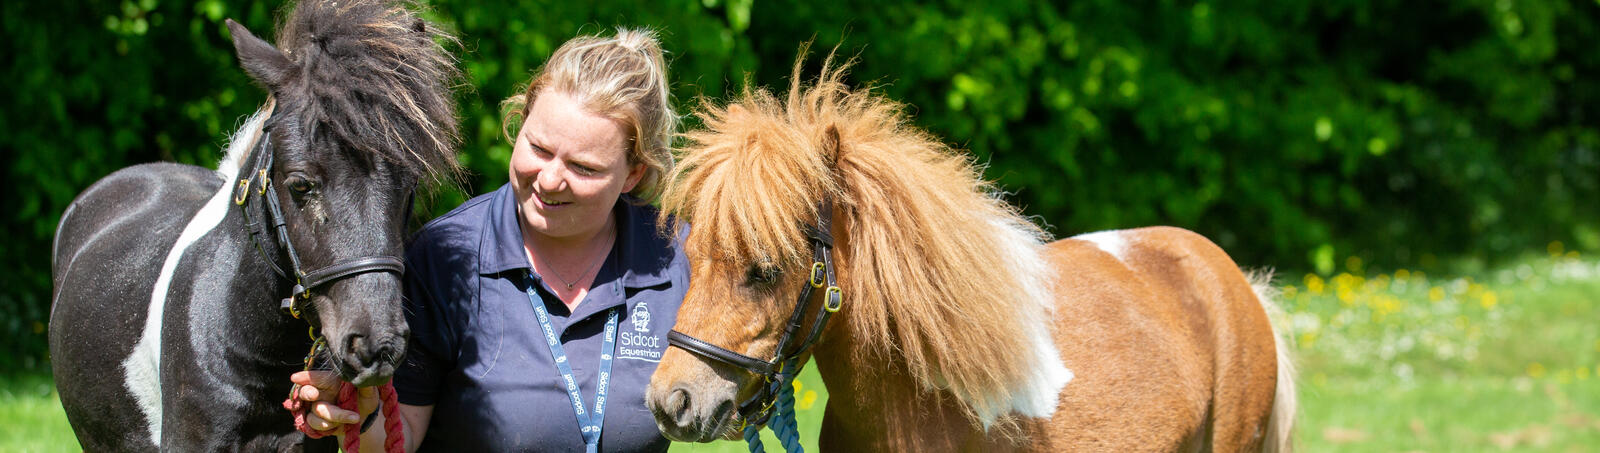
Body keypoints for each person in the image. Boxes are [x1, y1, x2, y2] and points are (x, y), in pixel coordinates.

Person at [289, 27, 686, 452]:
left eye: (584, 168)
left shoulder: (677, 257)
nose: (550, 180)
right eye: (538, 148)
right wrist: (360, 412)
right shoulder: (443, 258)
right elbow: (394, 438)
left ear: (633, 174)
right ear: (518, 124)